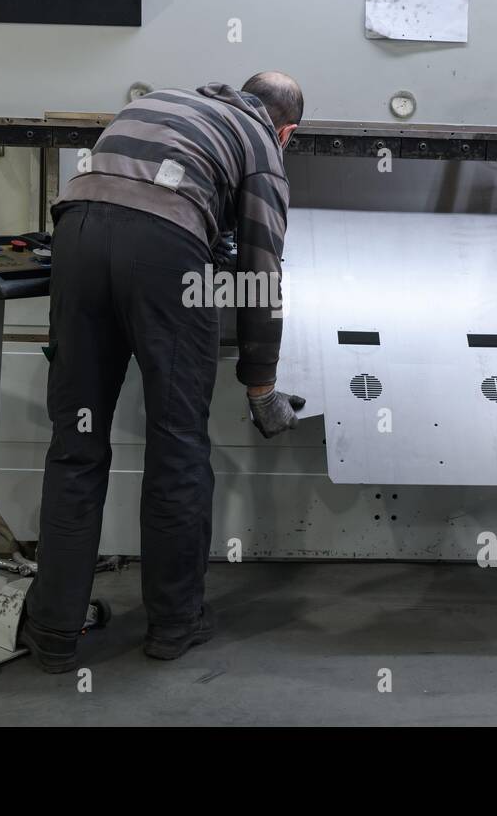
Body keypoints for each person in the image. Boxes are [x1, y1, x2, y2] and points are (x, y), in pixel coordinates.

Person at [19, 73, 306, 672]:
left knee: (75, 446)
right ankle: (174, 627)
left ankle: (53, 634)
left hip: (74, 234)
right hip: (166, 250)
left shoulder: (165, 100)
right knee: (176, 445)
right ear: (287, 131)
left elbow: (117, 192)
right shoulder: (261, 144)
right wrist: (262, 386)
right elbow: (261, 271)